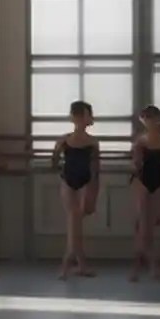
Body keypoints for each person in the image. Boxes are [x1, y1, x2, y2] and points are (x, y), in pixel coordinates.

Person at [52, 100, 99, 280]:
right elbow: (54, 161)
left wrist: (94, 193)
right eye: (87, 114)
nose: (89, 118)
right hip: (68, 181)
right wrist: (60, 168)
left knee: (75, 225)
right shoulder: (64, 140)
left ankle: (78, 265)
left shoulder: (93, 142)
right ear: (78, 117)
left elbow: (96, 169)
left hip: (85, 183)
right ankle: (70, 265)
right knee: (74, 224)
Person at [130, 105, 160, 281]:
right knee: (143, 226)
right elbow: (136, 165)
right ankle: (151, 266)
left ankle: (140, 267)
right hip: (142, 182)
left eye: (152, 118)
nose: (150, 122)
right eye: (146, 119)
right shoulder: (140, 142)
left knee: (148, 227)